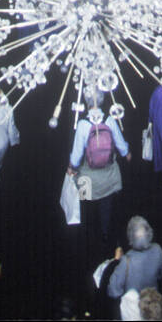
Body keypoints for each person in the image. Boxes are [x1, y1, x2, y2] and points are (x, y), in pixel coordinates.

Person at [67, 90, 130, 247]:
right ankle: (104, 233)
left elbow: (76, 155)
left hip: (87, 176)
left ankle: (86, 232)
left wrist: (71, 167)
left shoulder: (82, 125)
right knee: (106, 206)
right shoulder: (109, 120)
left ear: (85, 101)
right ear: (102, 100)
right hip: (108, 175)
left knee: (85, 202)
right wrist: (127, 153)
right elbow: (122, 146)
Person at [107, 216, 162, 299]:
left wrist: (116, 260)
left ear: (130, 237)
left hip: (133, 307)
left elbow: (113, 291)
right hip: (153, 304)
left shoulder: (126, 260)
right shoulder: (158, 249)